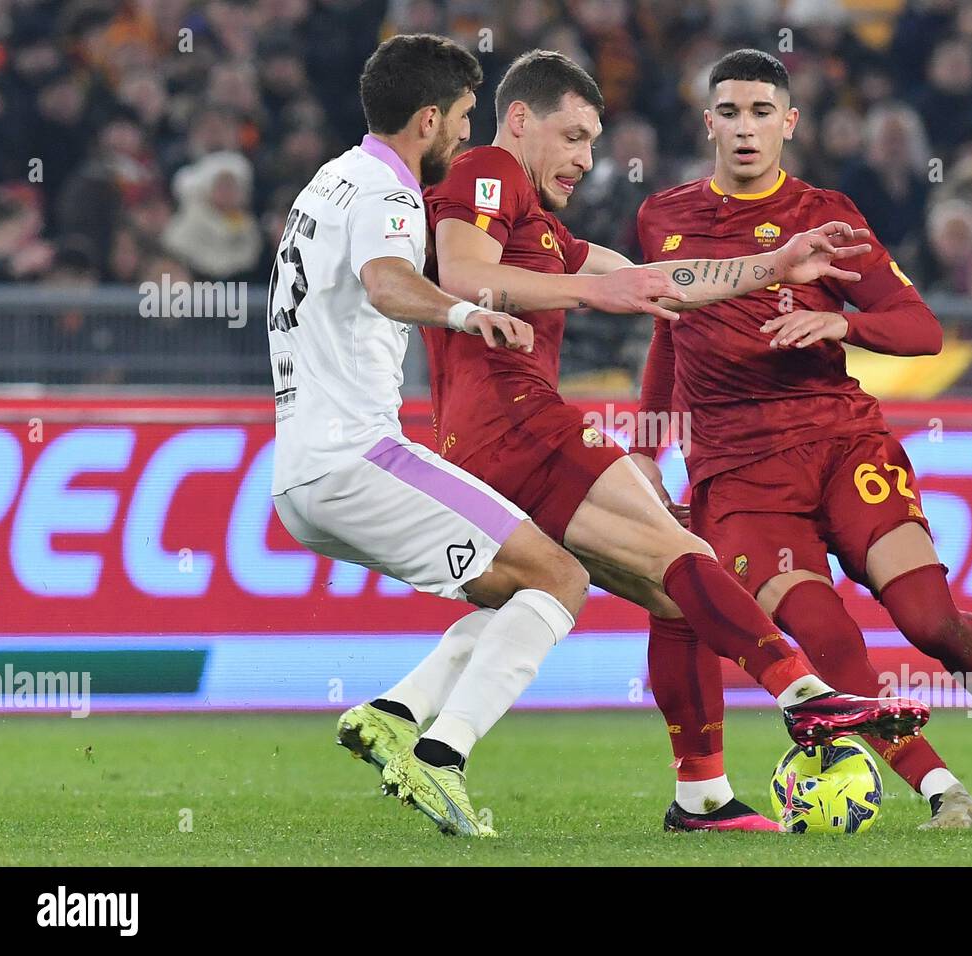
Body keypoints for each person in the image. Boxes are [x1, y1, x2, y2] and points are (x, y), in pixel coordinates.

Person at [375, 48, 931, 833]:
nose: (585, 159)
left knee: (673, 596)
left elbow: (659, 281)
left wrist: (771, 263)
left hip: (486, 441)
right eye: (573, 137)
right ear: (523, 120)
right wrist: (591, 290)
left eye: (594, 142)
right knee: (686, 552)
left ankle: (696, 795)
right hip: (519, 427)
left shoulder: (540, 227)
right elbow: (466, 275)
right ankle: (807, 698)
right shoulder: (484, 169)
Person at [633, 49, 972, 829]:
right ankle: (943, 792)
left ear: (790, 124)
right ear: (708, 124)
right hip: (740, 474)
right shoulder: (661, 217)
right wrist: (642, 443)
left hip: (841, 445)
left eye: (763, 112)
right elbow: (666, 334)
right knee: (826, 635)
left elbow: (922, 329)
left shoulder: (827, 215)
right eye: (730, 112)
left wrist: (844, 322)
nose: (746, 128)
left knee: (932, 622)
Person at [267, 33, 588, 838]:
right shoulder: (390, 192)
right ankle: (441, 759)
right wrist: (464, 310)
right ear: (426, 118)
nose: (469, 136)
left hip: (301, 471)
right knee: (561, 575)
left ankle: (395, 712)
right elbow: (385, 282)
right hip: (355, 457)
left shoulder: (328, 181)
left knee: (522, 585)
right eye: (464, 118)